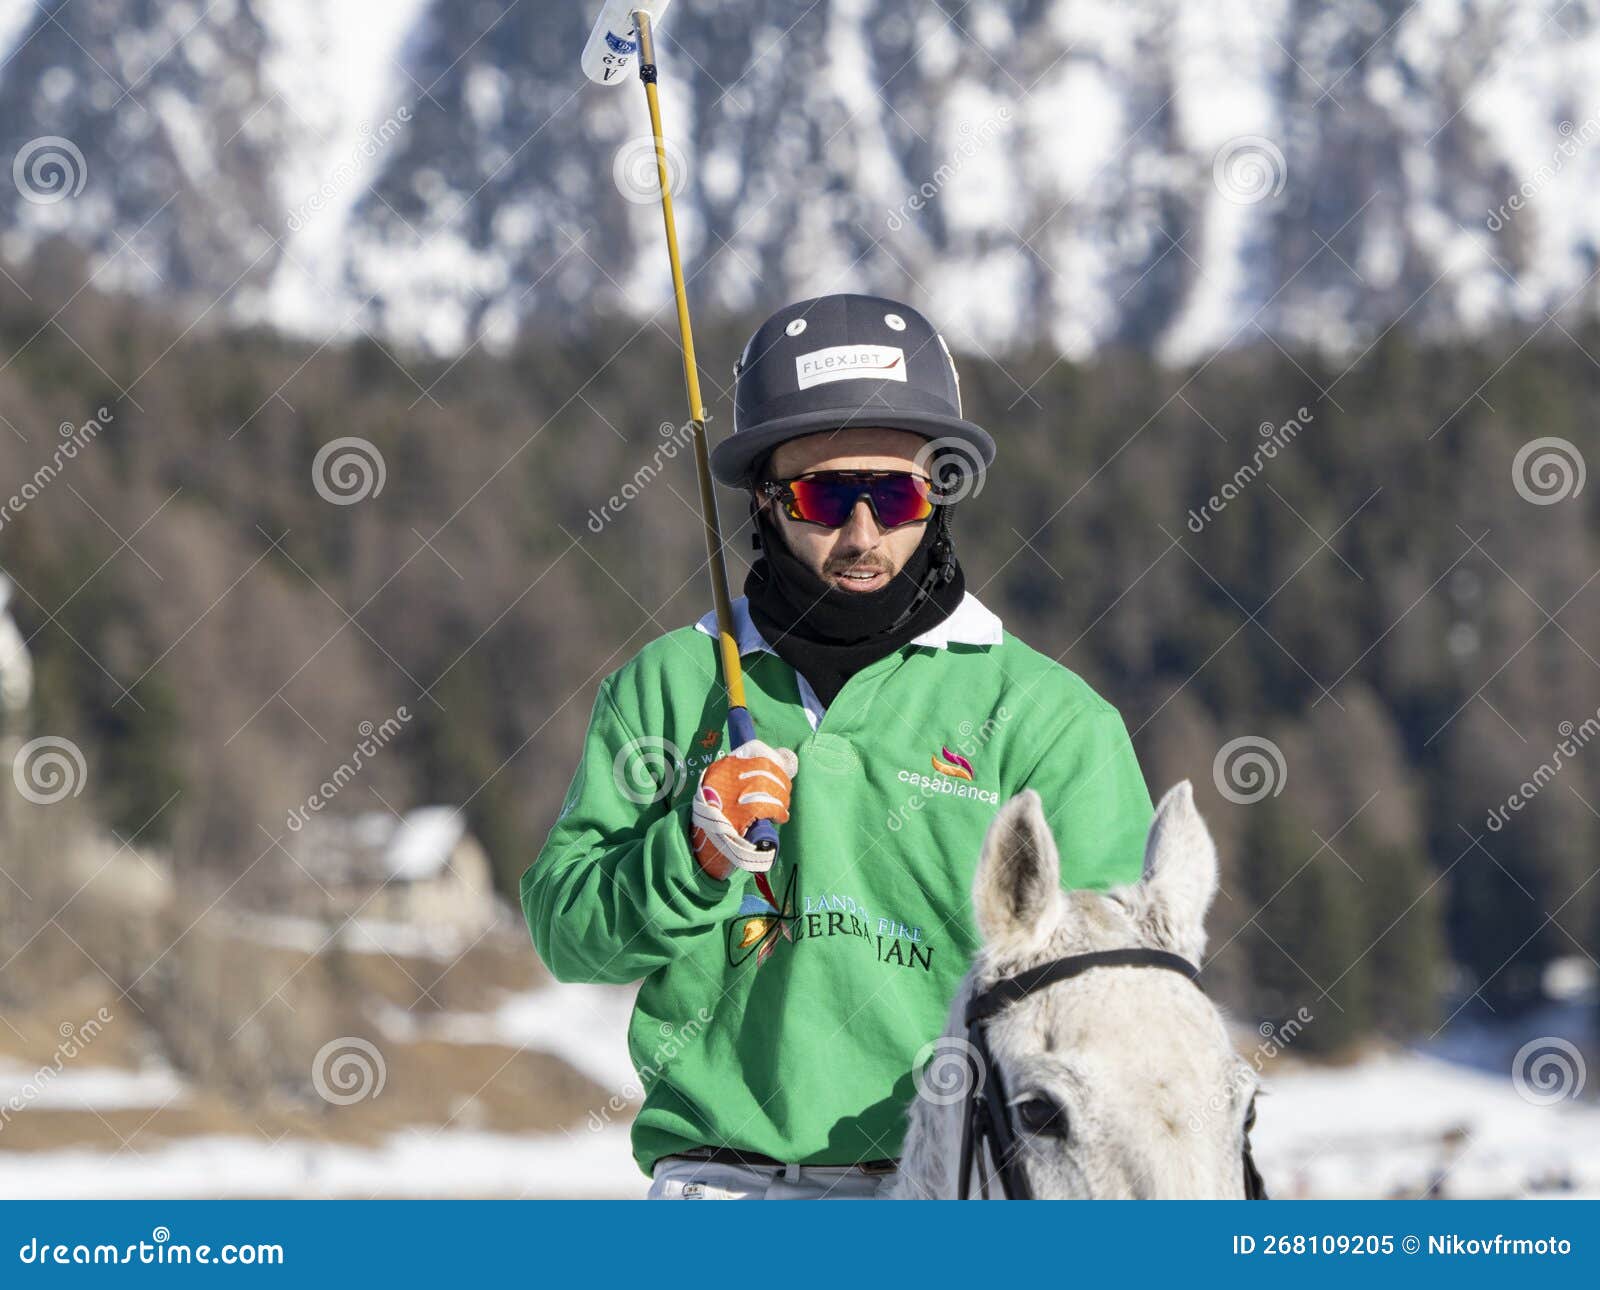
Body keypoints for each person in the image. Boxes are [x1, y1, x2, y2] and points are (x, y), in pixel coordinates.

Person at [522, 293, 1154, 1199]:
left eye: (895, 494)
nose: (863, 535)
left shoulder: (1051, 720)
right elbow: (569, 938)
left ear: (938, 494)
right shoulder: (668, 686)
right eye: (826, 497)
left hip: (956, 1202)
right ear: (767, 501)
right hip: (719, 1198)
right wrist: (691, 858)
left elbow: (1120, 1006)